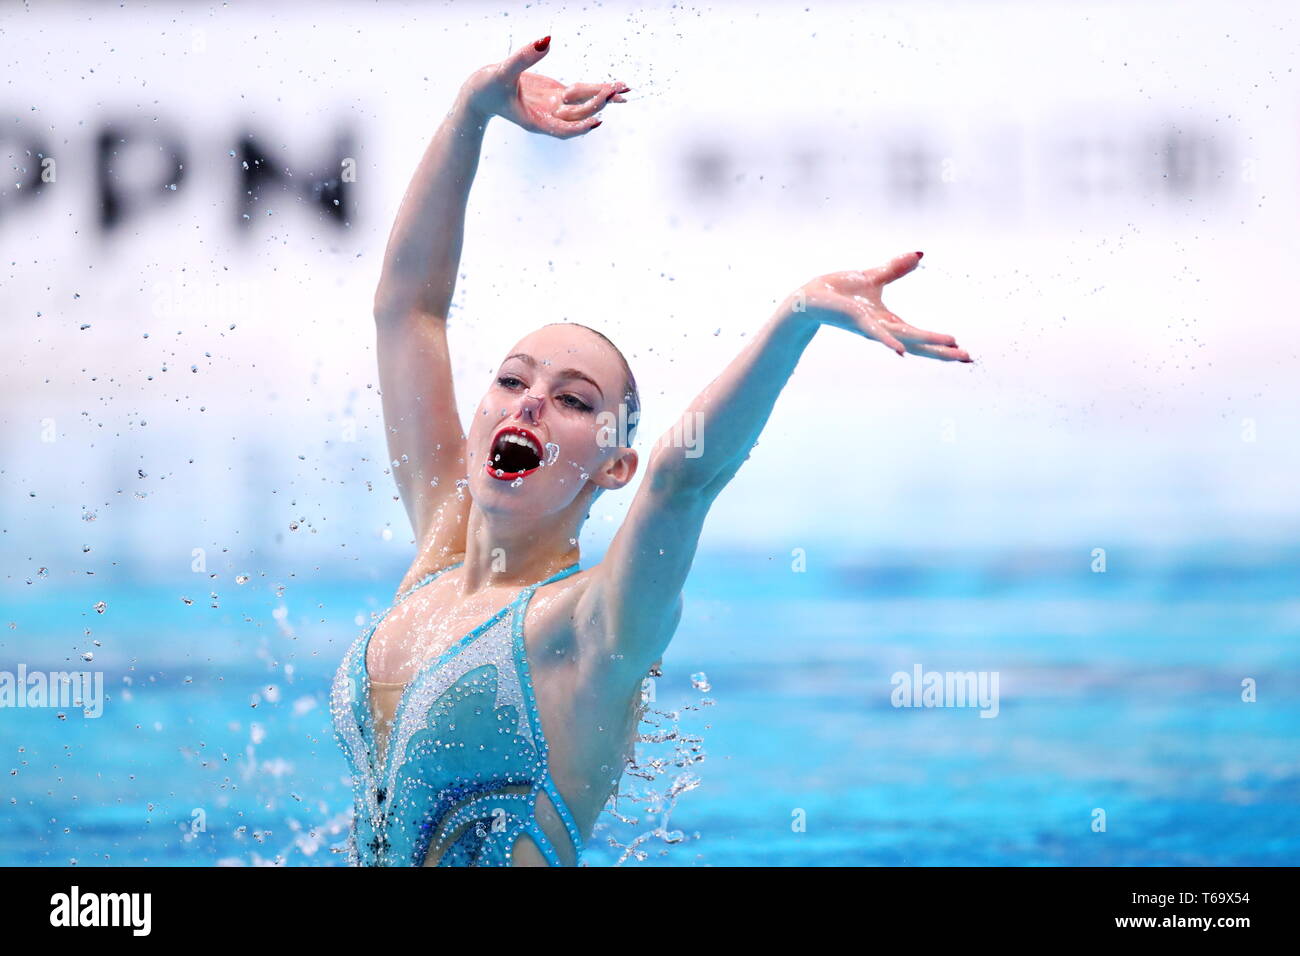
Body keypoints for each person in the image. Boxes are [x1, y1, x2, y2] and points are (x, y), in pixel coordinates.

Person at [331, 34, 972, 867]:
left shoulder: (591, 626)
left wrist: (797, 317)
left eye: (571, 400)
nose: (530, 399)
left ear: (611, 466)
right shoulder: (438, 556)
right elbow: (409, 308)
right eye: (515, 379)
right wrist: (469, 115)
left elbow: (683, 480)